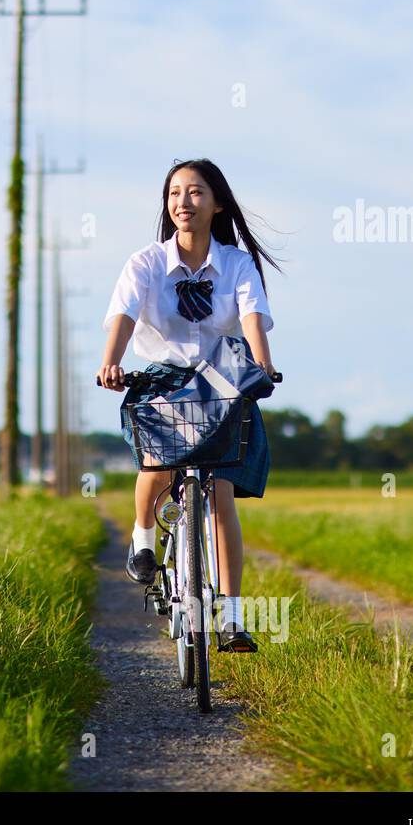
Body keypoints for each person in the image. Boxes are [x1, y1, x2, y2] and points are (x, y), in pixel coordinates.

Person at [96, 158, 282, 654]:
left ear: (217, 203)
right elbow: (123, 315)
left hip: (220, 381)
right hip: (161, 378)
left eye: (196, 192)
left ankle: (232, 617)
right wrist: (110, 363)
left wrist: (262, 365)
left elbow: (252, 316)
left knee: (220, 492)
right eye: (175, 193)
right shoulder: (146, 263)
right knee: (159, 464)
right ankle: (142, 538)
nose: (183, 202)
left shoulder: (237, 264)